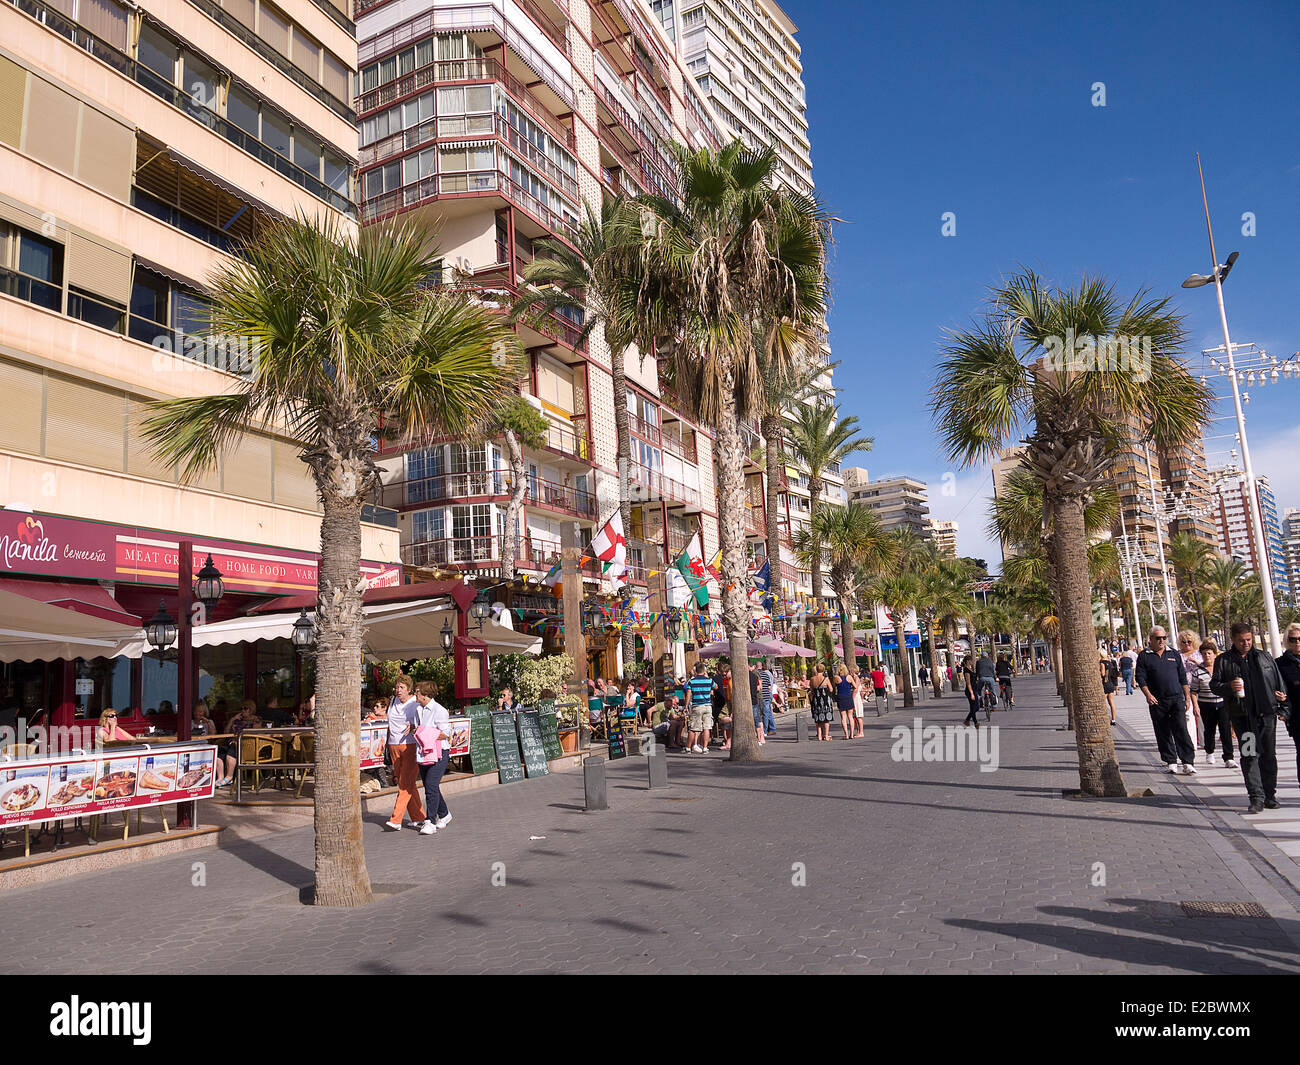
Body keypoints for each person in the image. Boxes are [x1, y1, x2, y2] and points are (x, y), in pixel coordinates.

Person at [1212, 622, 1286, 814]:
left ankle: (1270, 795)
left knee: (1269, 756)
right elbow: (1214, 685)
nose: (1245, 643)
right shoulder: (1224, 661)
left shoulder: (1264, 657)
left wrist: (1282, 702)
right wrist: (1229, 687)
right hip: (1243, 718)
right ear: (1233, 640)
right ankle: (1256, 797)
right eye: (1241, 641)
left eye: (1248, 640)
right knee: (1250, 756)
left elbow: (1278, 683)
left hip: (1267, 716)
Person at [1135, 627, 1197, 775]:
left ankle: (1187, 762)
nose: (1161, 641)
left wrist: (1187, 697)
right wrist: (1148, 695)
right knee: (1163, 731)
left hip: (1176, 698)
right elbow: (1140, 678)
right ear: (1151, 639)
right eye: (1158, 638)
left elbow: (1182, 677)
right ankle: (1171, 761)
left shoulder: (1174, 654)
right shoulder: (1144, 656)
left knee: (1181, 729)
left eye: (1164, 637)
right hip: (1157, 701)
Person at [384, 675, 427, 832]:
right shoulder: (393, 701)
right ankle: (419, 817)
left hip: (410, 746)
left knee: (404, 783)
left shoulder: (415, 703)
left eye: (401, 687)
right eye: (397, 687)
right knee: (408, 784)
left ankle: (396, 819)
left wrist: (414, 725)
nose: (398, 690)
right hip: (393, 745)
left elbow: (425, 721)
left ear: (409, 689)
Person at [411, 680, 451, 835]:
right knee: (430, 786)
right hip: (422, 752)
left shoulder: (439, 710)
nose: (415, 694)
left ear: (426, 695)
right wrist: (415, 731)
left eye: (417, 691)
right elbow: (417, 729)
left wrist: (426, 734)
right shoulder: (417, 709)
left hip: (439, 753)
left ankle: (430, 821)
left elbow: (445, 733)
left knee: (430, 785)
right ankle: (445, 814)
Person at [1191, 641, 1233, 768]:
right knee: (1209, 730)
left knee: (1225, 730)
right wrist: (1195, 706)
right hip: (1205, 704)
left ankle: (1229, 757)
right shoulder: (1198, 671)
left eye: (1209, 653)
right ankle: (1209, 752)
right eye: (1204, 654)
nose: (1207, 656)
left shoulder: (1221, 669)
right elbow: (1194, 691)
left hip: (1222, 704)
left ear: (1215, 654)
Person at [1274, 622, 1300, 783]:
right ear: (1287, 641)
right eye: (1293, 639)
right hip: (1297, 716)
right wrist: (1277, 697)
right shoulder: (1280, 664)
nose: (1297, 642)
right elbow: (1275, 686)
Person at [1177, 631, 1204, 748]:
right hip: (1185, 689)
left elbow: (1207, 667)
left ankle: (1205, 742)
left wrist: (1196, 662)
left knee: (1202, 715)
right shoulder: (1178, 655)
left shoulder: (1200, 653)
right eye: (1184, 642)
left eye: (1189, 641)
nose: (1187, 644)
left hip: (1200, 688)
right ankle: (1191, 743)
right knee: (1188, 716)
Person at [685, 662, 714, 754]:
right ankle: (705, 748)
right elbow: (716, 686)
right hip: (707, 706)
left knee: (693, 728)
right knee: (707, 727)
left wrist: (686, 705)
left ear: (695, 671)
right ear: (704, 670)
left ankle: (688, 748)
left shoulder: (691, 682)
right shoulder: (709, 681)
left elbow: (688, 694)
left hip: (697, 706)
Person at [808, 663, 835, 741]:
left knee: (818, 719)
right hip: (825, 700)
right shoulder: (825, 679)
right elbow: (831, 689)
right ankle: (826, 735)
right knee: (826, 719)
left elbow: (811, 690)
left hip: (817, 700)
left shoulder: (812, 679)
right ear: (823, 670)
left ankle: (819, 736)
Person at [833, 661, 855, 740]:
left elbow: (834, 686)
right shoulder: (849, 677)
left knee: (843, 717)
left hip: (840, 696)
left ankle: (846, 735)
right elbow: (855, 686)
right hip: (848, 696)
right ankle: (852, 734)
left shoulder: (836, 677)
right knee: (850, 716)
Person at [974, 651, 998, 715]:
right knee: (993, 691)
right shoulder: (990, 661)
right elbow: (993, 670)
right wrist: (995, 678)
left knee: (978, 690)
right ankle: (994, 706)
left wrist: (976, 678)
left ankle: (980, 703)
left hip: (982, 678)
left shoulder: (978, 662)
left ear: (981, 656)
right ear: (987, 656)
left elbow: (977, 670)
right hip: (990, 678)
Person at [960, 655, 981, 728]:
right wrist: (972, 693)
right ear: (967, 661)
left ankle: (967, 720)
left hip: (974, 690)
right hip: (970, 691)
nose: (972, 662)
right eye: (971, 660)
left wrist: (976, 693)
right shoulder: (966, 671)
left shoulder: (971, 669)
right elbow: (968, 683)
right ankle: (975, 723)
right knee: (974, 707)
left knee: (976, 707)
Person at [1099, 651, 1118, 724]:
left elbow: (1103, 674)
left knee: (1102, 703)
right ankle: (1113, 719)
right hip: (1110, 684)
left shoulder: (1102, 663)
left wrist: (1098, 672)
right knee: (1112, 703)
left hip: (1105, 684)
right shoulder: (1110, 662)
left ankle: (1103, 718)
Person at [758, 662, 777, 737]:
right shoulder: (766, 674)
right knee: (767, 713)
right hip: (767, 694)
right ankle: (770, 729)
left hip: (761, 695)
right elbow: (769, 686)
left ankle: (766, 730)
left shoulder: (757, 674)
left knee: (763, 714)